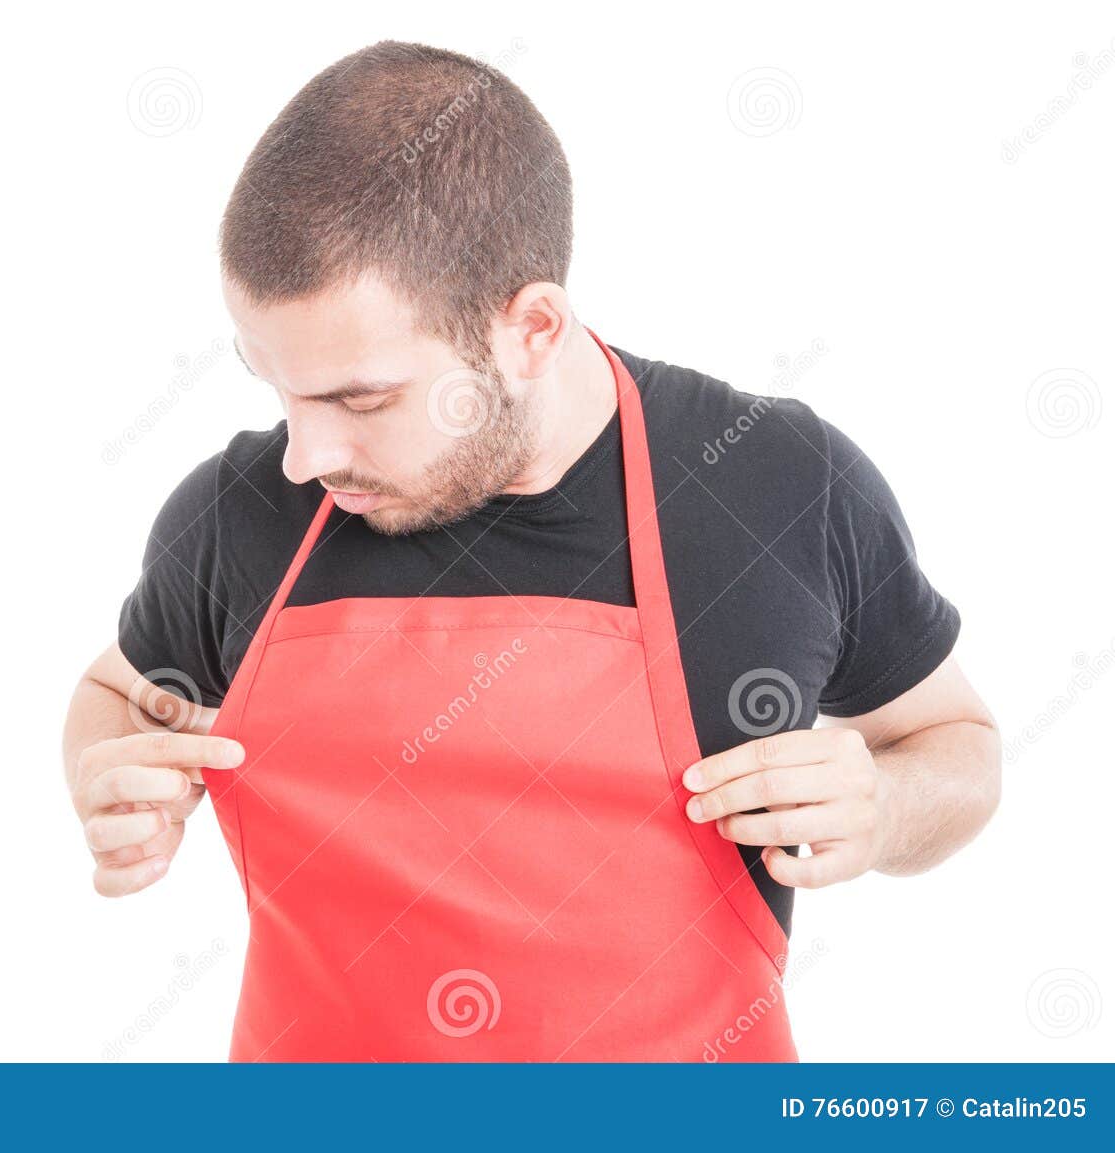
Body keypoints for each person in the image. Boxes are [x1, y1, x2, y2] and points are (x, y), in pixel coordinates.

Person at [62, 40, 1001, 1061]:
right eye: (276, 387)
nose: (305, 454)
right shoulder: (238, 517)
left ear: (533, 329)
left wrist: (889, 801)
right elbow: (117, 693)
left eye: (360, 398)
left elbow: (956, 743)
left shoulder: (774, 486)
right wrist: (108, 782)